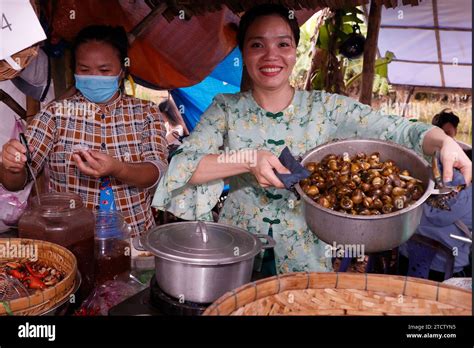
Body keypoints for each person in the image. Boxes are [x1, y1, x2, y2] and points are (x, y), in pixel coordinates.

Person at [152, 5, 471, 275]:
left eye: (283, 44)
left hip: (306, 257)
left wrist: (443, 141)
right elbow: (184, 166)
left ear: (295, 51)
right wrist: (247, 159)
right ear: (243, 52)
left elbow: (398, 129)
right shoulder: (225, 108)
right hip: (240, 254)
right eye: (257, 45)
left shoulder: (326, 108)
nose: (271, 55)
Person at [0, 25, 168, 236]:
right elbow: (16, 183)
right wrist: (12, 167)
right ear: (75, 71)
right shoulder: (55, 114)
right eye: (85, 70)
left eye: (104, 70)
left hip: (134, 239)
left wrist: (118, 169)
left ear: (122, 70)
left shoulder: (146, 113)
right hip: (71, 239)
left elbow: (157, 173)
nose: (94, 77)